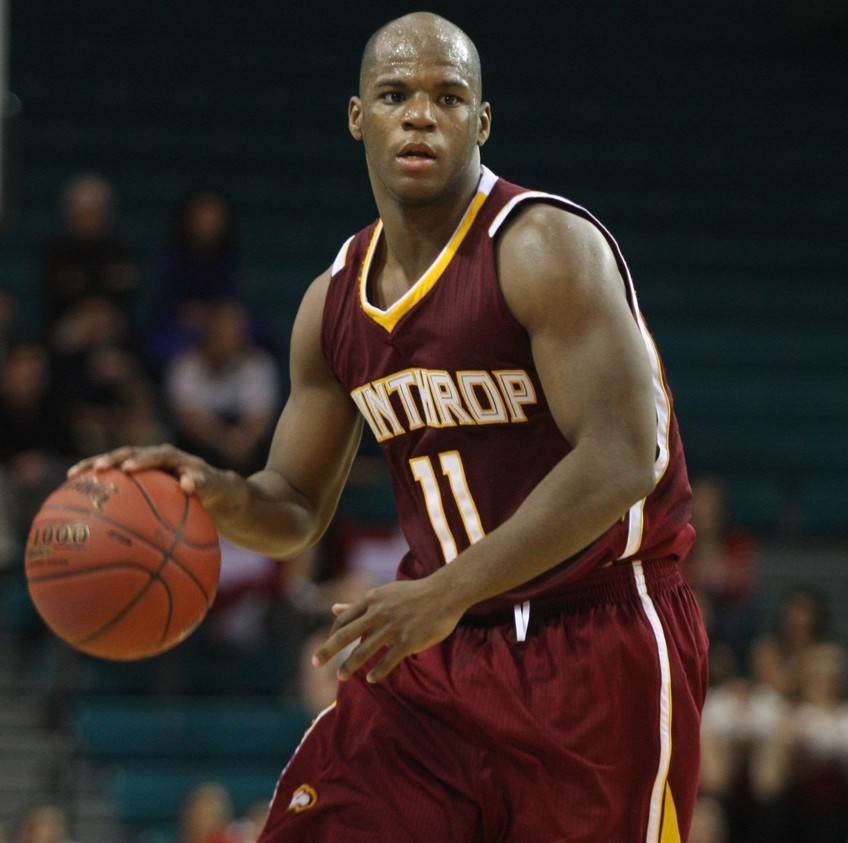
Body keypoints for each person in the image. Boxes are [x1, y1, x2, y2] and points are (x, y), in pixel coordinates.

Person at [70, 12, 708, 841]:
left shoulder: (544, 245)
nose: (419, 114)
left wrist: (444, 592)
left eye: (448, 97)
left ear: (480, 123)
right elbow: (295, 502)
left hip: (596, 641)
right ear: (356, 116)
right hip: (435, 656)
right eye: (396, 94)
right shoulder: (331, 302)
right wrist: (211, 490)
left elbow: (626, 457)